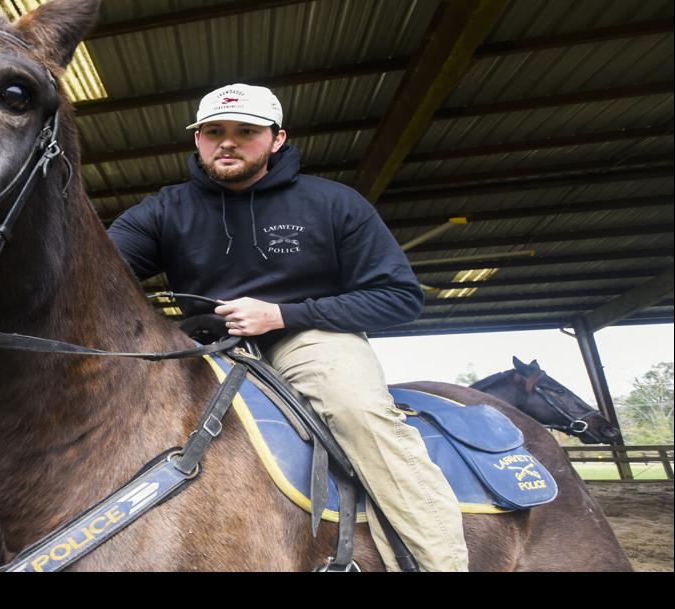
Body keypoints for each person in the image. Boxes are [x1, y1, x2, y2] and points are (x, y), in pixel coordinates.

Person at [107, 83, 469, 571]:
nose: (227, 142)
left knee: (358, 412)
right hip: (205, 347)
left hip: (310, 337)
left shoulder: (334, 203)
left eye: (246, 131)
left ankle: (438, 563)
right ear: (198, 140)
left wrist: (283, 314)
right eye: (214, 131)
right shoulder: (163, 209)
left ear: (277, 139)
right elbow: (99, 274)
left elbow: (400, 298)